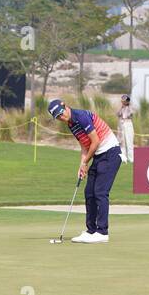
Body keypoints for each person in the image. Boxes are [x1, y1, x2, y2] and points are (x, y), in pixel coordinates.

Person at [48, 98, 121, 243]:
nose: (62, 117)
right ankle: (91, 230)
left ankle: (102, 232)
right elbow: (84, 144)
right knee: (89, 192)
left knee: (100, 192)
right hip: (99, 155)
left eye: (61, 113)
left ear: (65, 105)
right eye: (58, 117)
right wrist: (82, 164)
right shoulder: (71, 125)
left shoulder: (81, 117)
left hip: (111, 153)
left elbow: (95, 141)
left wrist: (86, 161)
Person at [116, 94, 136, 163]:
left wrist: (127, 106)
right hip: (121, 124)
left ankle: (131, 158)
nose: (123, 102)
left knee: (129, 142)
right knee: (122, 142)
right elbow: (118, 114)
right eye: (122, 101)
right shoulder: (121, 108)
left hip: (128, 123)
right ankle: (124, 158)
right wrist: (121, 107)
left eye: (125, 101)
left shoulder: (130, 107)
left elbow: (131, 113)